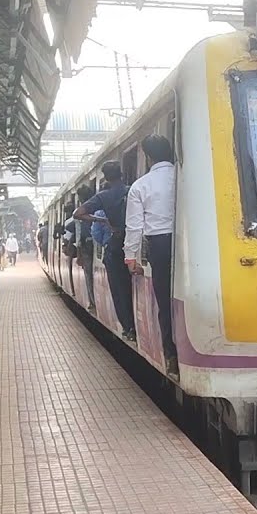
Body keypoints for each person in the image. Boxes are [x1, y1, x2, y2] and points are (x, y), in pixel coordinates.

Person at [125, 135, 178, 377]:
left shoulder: (140, 186)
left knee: (165, 302)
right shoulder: (187, 177)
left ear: (148, 156)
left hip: (160, 246)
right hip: (194, 239)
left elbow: (134, 226)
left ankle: (172, 355)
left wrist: (131, 257)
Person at [77, 161, 136, 339]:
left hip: (116, 245)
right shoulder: (132, 189)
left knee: (119, 289)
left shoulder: (104, 196)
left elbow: (78, 213)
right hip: (135, 241)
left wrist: (101, 220)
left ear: (106, 178)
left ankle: (129, 328)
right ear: (122, 174)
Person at [74, 186, 98, 312]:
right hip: (96, 243)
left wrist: (79, 254)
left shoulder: (80, 212)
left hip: (86, 246)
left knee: (88, 274)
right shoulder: (97, 207)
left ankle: (92, 301)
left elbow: (79, 236)